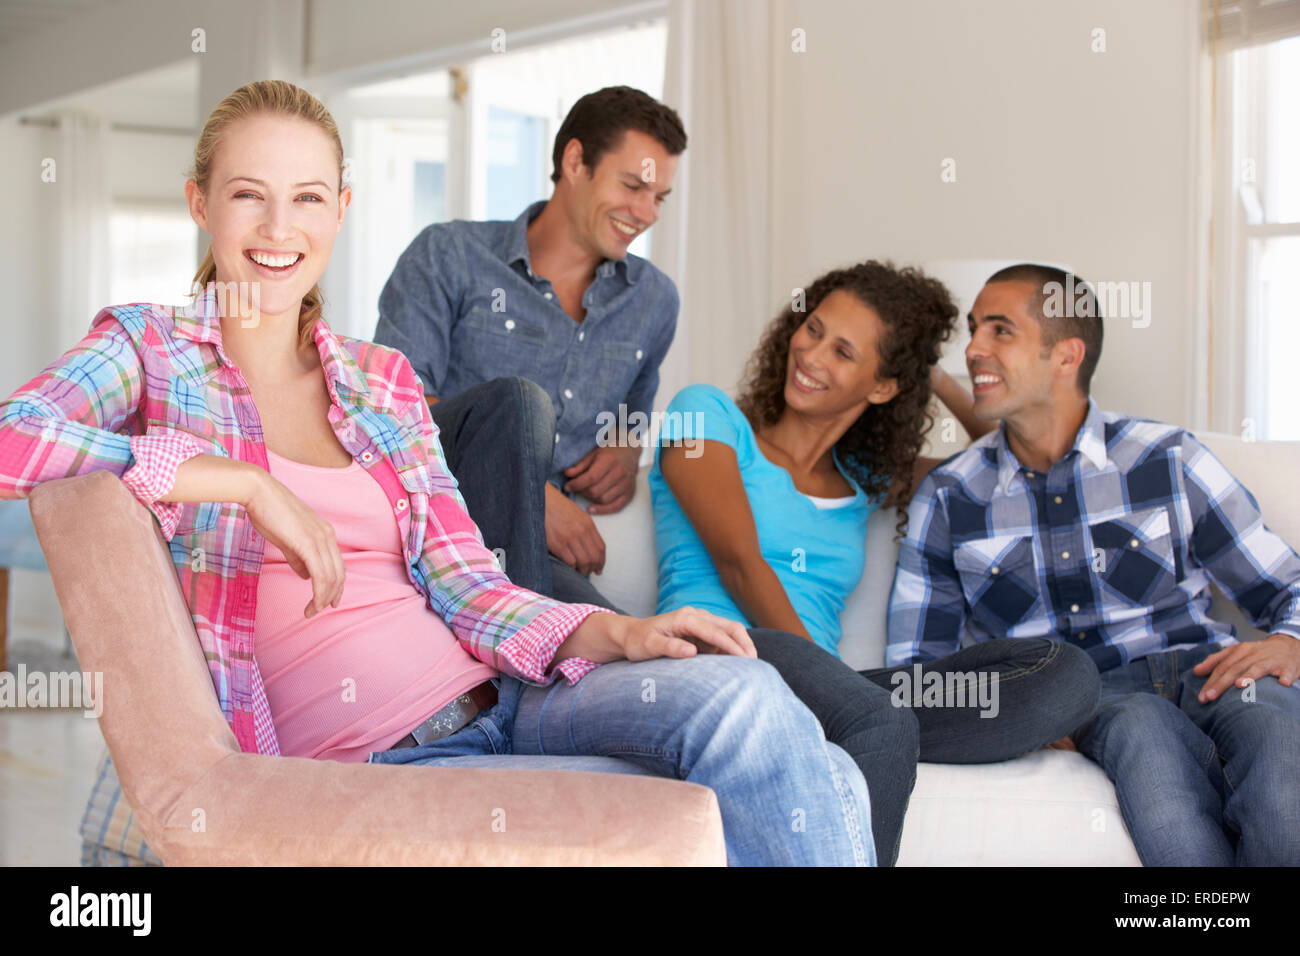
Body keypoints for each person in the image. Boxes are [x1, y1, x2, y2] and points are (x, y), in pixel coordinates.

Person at [0, 80, 876, 867]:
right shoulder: (149, 350)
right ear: (200, 203)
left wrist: (615, 634)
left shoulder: (379, 381)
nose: (278, 229)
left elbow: (467, 584)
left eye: (307, 198)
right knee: (773, 791)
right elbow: (14, 441)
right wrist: (237, 480)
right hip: (382, 764)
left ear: (340, 209)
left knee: (751, 702)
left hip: (505, 698)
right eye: (247, 197)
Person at [651, 261, 1102, 865]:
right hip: (718, 662)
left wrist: (929, 375)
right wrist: (831, 689)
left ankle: (840, 722)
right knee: (878, 720)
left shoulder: (863, 481)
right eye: (811, 329)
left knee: (1065, 677)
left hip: (840, 698)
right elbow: (739, 563)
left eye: (843, 351)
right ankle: (845, 718)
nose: (810, 356)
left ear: (883, 386)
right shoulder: (704, 414)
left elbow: (990, 457)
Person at [888, 262, 1300, 866]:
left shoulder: (1168, 459)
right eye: (974, 330)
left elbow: (1285, 585)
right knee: (1149, 755)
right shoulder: (951, 497)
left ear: (1066, 355)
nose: (972, 349)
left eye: (1000, 331)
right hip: (1087, 700)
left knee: (1274, 745)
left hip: (1208, 670)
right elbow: (916, 674)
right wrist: (1024, 713)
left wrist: (1290, 642)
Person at [374, 86, 685, 610]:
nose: (646, 212)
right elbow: (393, 412)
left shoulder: (653, 301)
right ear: (574, 161)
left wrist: (628, 442)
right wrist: (533, 499)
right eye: (633, 185)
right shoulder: (450, 255)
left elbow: (634, 408)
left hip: (544, 567)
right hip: (440, 534)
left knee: (647, 660)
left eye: (659, 197)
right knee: (518, 402)